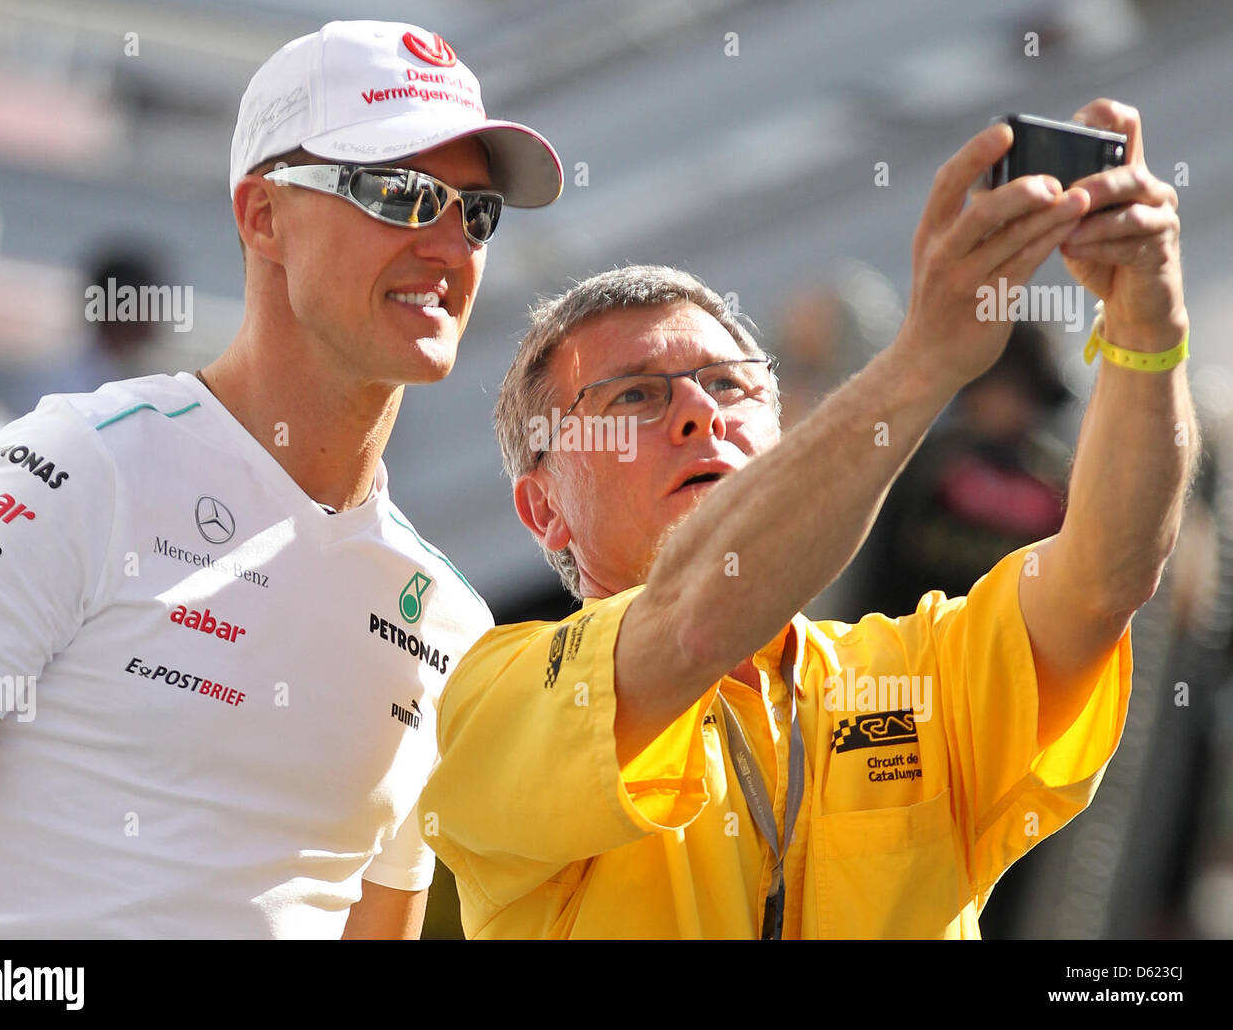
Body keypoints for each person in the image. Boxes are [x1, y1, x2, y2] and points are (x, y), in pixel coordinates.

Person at [419, 99, 1197, 938]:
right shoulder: (493, 693)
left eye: (729, 384)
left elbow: (1108, 576)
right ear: (544, 511)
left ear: (783, 429)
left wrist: (1147, 323)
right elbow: (692, 622)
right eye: (634, 396)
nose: (697, 414)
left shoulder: (910, 671)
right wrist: (926, 359)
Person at [0, 20, 561, 939]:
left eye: (474, 211)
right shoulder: (75, 469)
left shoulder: (445, 618)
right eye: (397, 192)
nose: (446, 244)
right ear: (262, 214)